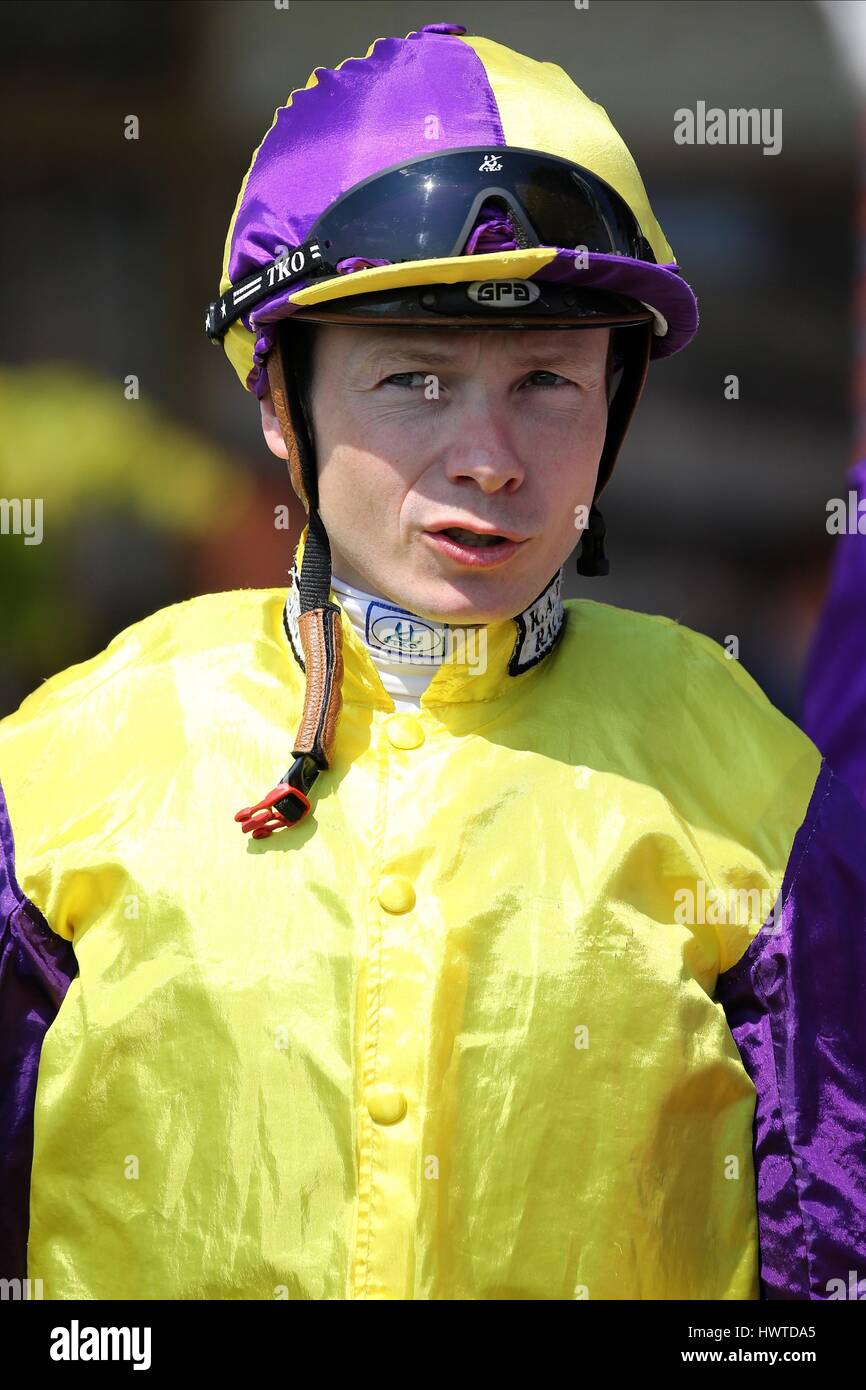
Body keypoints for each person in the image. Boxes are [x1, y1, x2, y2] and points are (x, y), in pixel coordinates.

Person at [2, 20, 865, 1302]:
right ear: (278, 400)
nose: (489, 458)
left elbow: (831, 1250)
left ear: (620, 398)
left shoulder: (751, 774)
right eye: (411, 379)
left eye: (547, 381)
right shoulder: (64, 767)